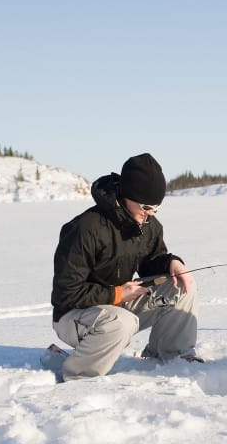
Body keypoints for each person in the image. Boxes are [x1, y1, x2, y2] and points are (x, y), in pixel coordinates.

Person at [51, 153, 200, 381]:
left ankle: (172, 358)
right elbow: (66, 293)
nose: (150, 214)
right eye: (147, 207)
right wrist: (118, 293)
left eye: (156, 209)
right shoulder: (85, 229)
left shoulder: (147, 223)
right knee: (121, 322)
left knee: (181, 286)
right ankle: (79, 376)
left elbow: (152, 261)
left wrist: (172, 262)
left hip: (118, 304)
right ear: (128, 195)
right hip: (73, 315)